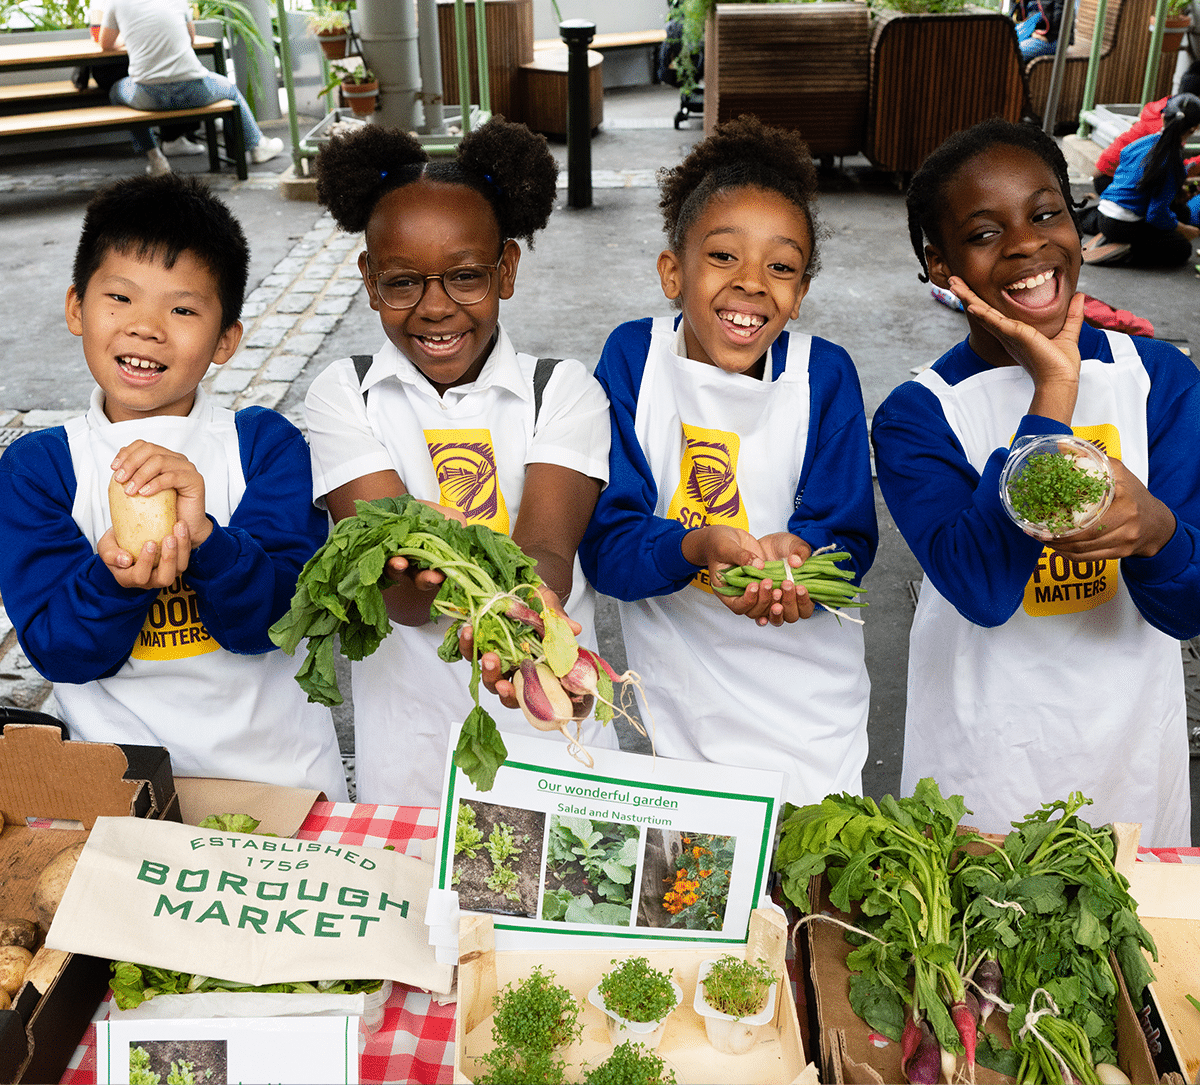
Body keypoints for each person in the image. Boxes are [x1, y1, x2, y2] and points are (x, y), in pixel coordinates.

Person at [872, 118, 1200, 845]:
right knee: (980, 916)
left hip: (1131, 759)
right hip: (984, 767)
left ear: (1076, 225)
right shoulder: (918, 415)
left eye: (1046, 213)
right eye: (985, 232)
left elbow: (1188, 608)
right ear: (940, 265)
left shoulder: (1159, 381)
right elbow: (983, 589)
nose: (1025, 243)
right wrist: (1053, 393)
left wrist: (1158, 532)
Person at [0, 173, 346, 798]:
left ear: (226, 339)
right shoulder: (40, 469)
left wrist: (209, 540)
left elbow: (279, 623)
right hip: (124, 791)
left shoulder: (262, 447)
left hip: (282, 776)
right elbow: (60, 654)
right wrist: (113, 579)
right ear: (76, 307)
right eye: (120, 298)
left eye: (183, 309)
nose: (146, 327)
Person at [305, 118, 617, 807]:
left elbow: (546, 551)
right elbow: (399, 598)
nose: (436, 307)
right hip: (412, 754)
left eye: (466, 277)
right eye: (402, 283)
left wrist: (518, 613)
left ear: (506, 270)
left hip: (555, 742)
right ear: (369, 281)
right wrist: (416, 569)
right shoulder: (344, 393)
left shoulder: (561, 390)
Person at [577, 115, 878, 807]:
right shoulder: (634, 359)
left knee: (816, 858)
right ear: (672, 272)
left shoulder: (823, 375)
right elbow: (609, 549)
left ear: (800, 294)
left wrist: (805, 556)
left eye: (781, 267)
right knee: (697, 864)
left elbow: (850, 541)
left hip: (811, 707)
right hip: (685, 704)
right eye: (722, 256)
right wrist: (696, 545)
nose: (752, 283)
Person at [100, 0, 283, 176]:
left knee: (116, 91)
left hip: (148, 96)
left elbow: (105, 44)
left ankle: (156, 158)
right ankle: (257, 145)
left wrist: (126, 38)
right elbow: (190, 39)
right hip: (194, 90)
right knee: (230, 89)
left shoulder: (117, 2)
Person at [1082, 93, 1200, 266]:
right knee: (1182, 248)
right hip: (1123, 225)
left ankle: (1106, 232)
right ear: (1194, 129)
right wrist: (1183, 229)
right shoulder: (1173, 161)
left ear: (1163, 117)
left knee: (1181, 212)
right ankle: (1125, 250)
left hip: (1105, 213)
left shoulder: (1142, 142)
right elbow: (1156, 214)